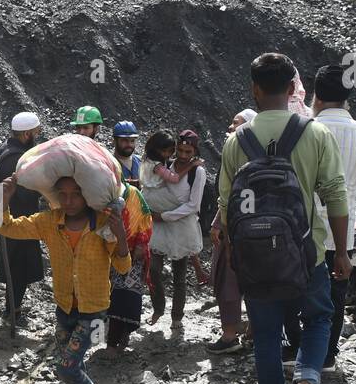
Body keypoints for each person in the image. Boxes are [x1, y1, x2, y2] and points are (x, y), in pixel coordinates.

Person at [218, 52, 349, 384]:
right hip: (307, 254)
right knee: (319, 318)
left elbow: (225, 206)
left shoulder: (236, 141)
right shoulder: (316, 134)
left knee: (265, 333)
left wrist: (237, 253)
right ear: (293, 88)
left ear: (254, 90)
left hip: (255, 257)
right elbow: (336, 196)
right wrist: (342, 252)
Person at [0, 174, 129, 384]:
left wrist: (120, 236)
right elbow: (6, 227)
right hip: (64, 309)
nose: (69, 201)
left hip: (95, 311)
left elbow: (123, 266)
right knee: (73, 373)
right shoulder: (49, 222)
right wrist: (5, 200)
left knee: (67, 367)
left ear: (87, 195)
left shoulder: (103, 224)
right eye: (63, 195)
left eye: (76, 194)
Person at [284, 63, 356, 369]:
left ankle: (296, 348)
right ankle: (326, 355)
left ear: (316, 95)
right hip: (341, 232)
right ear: (347, 97)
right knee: (335, 294)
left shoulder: (301, 130)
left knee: (294, 289)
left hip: (302, 230)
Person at [205, 111, 257, 355]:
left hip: (235, 226)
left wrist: (218, 223)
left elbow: (228, 195)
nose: (230, 126)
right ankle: (254, 332)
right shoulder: (267, 151)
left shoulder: (234, 150)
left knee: (228, 280)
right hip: (262, 229)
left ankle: (229, 336)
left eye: (236, 122)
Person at [143, 130, 205, 334]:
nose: (183, 155)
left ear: (195, 151)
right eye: (180, 150)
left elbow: (193, 205)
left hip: (180, 225)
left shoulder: (198, 172)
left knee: (179, 276)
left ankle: (177, 316)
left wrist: (165, 216)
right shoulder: (166, 165)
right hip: (159, 224)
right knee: (153, 269)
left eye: (188, 152)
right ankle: (158, 308)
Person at [0, 112, 45, 327]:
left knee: (17, 267)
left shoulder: (5, 149)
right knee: (18, 268)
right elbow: (22, 192)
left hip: (13, 218)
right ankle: (12, 312)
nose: (37, 136)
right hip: (17, 220)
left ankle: (13, 309)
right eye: (35, 132)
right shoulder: (15, 158)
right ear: (26, 134)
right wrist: (43, 190)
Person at [104, 181, 153, 352]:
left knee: (126, 300)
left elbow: (145, 220)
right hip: (107, 256)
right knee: (110, 301)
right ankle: (110, 341)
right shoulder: (100, 196)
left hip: (133, 257)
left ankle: (120, 339)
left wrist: (140, 243)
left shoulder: (133, 195)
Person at [111, 121, 141, 186]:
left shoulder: (141, 162)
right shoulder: (109, 164)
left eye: (132, 141)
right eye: (125, 140)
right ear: (114, 141)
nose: (129, 144)